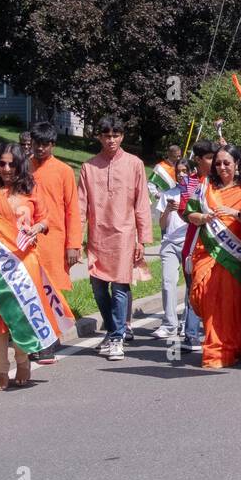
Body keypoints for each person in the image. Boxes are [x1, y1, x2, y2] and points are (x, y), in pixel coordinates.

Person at [0, 143, 59, 389]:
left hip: (23, 264)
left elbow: (46, 219)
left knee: (21, 316)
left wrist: (36, 228)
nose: (7, 169)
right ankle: (2, 371)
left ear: (20, 165)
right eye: (2, 163)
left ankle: (23, 362)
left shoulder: (31, 189)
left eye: (12, 164)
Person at [78, 117, 153, 361]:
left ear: (122, 136)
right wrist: (76, 240)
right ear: (99, 136)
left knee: (120, 286)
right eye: (106, 135)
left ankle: (118, 336)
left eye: (116, 135)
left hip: (124, 235)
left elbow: (142, 203)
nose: (111, 140)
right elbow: (80, 206)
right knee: (98, 288)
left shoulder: (135, 164)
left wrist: (142, 239)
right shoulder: (88, 167)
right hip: (98, 236)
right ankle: (112, 330)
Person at [184, 147, 241, 368]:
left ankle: (227, 348)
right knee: (208, 300)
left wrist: (235, 213)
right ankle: (219, 346)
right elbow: (189, 213)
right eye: (218, 163)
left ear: (237, 163)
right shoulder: (205, 188)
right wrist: (202, 217)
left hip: (237, 255)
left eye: (227, 162)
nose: (222, 167)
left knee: (231, 304)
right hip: (208, 250)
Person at [28, 122, 81, 364]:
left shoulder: (64, 171)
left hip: (54, 241)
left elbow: (72, 209)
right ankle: (36, 339)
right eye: (36, 143)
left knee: (51, 292)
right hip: (27, 241)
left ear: (53, 145)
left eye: (45, 144)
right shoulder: (24, 166)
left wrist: (73, 244)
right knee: (31, 291)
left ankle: (49, 341)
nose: (40, 148)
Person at [178, 139, 215, 351]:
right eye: (210, 158)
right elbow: (184, 212)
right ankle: (191, 334)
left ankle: (213, 333)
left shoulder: (221, 182)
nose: (215, 162)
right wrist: (201, 217)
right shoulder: (190, 183)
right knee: (195, 289)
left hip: (221, 246)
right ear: (199, 160)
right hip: (195, 244)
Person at [153, 159, 191, 340]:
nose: (182, 174)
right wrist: (168, 210)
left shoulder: (195, 193)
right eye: (179, 171)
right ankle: (169, 323)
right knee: (168, 282)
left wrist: (184, 210)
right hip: (169, 242)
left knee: (191, 285)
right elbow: (161, 224)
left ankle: (187, 322)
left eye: (185, 171)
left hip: (188, 242)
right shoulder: (168, 194)